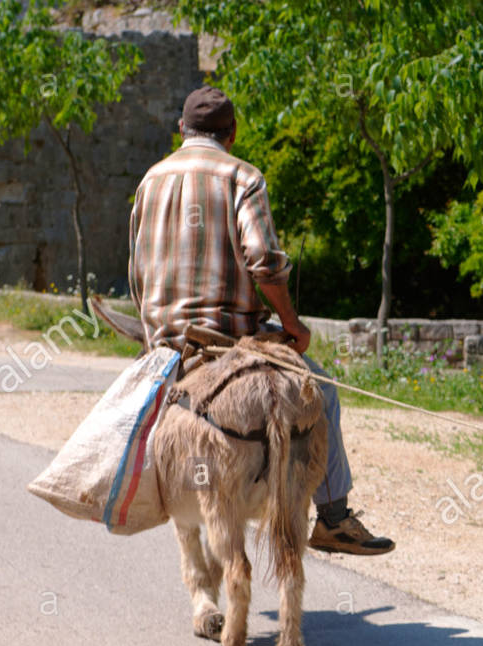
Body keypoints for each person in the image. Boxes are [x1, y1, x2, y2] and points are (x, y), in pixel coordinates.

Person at [128, 86, 393, 556]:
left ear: (181, 130)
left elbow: (136, 270)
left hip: (167, 346)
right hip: (232, 338)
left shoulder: (150, 180)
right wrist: (293, 325)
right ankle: (333, 517)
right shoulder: (241, 177)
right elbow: (264, 262)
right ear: (231, 134)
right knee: (323, 391)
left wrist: (153, 339)